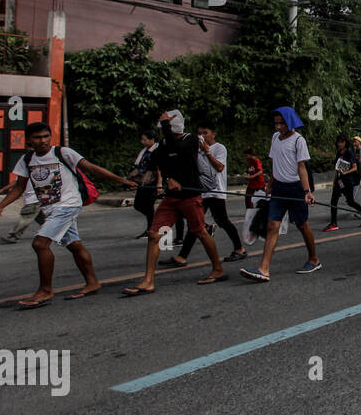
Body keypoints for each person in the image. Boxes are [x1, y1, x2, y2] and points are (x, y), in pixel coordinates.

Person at [0, 121, 135, 308]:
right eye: (37, 137)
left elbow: (92, 168)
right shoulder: (27, 160)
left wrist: (122, 180)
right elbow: (19, 187)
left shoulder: (63, 153)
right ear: (29, 140)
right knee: (74, 245)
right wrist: (1, 206)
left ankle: (45, 290)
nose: (42, 141)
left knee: (40, 244)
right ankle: (92, 282)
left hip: (68, 205)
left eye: (45, 136)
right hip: (50, 208)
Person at [124, 110, 227, 295]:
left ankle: (218, 268)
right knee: (154, 234)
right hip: (171, 197)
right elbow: (159, 161)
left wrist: (165, 127)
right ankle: (148, 281)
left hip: (189, 195)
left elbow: (178, 152)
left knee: (200, 232)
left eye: (166, 125)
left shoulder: (191, 140)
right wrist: (147, 180)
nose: (163, 129)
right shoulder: (164, 142)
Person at [241, 107, 321, 281]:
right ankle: (263, 269)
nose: (278, 127)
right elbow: (274, 163)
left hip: (295, 189)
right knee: (272, 226)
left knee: (302, 225)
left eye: (281, 123)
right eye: (276, 123)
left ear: (290, 122)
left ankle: (314, 259)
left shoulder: (299, 140)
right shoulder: (275, 138)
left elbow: (302, 168)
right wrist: (270, 184)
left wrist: (307, 192)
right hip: (278, 189)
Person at [166, 120, 246, 265]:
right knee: (195, 224)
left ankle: (239, 249)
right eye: (199, 133)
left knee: (222, 221)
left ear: (213, 134)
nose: (202, 136)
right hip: (202, 191)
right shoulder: (195, 149)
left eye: (205, 133)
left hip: (216, 191)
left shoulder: (219, 148)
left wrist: (206, 151)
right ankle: (182, 256)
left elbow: (220, 167)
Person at [324, 134, 361, 231]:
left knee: (350, 202)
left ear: (345, 143)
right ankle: (333, 223)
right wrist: (334, 181)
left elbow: (355, 168)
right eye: (339, 142)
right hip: (339, 181)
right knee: (333, 201)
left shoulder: (349, 153)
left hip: (347, 181)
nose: (340, 144)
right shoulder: (339, 153)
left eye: (342, 142)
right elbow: (337, 169)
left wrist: (345, 173)